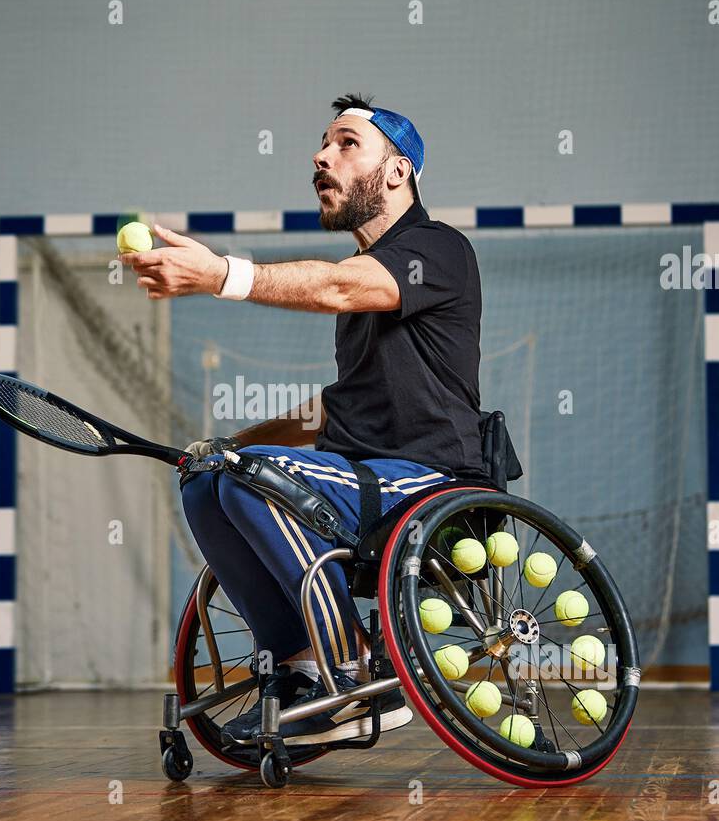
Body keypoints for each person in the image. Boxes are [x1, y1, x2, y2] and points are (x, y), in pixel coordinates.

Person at [120, 93, 484, 746]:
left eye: (346, 143)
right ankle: (298, 668)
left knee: (249, 477)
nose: (321, 155)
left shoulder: (437, 249)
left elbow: (337, 285)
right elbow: (332, 410)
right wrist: (226, 445)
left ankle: (350, 669)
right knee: (209, 479)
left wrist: (218, 274)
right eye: (322, 144)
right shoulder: (362, 297)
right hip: (363, 477)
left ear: (397, 170)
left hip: (433, 484)